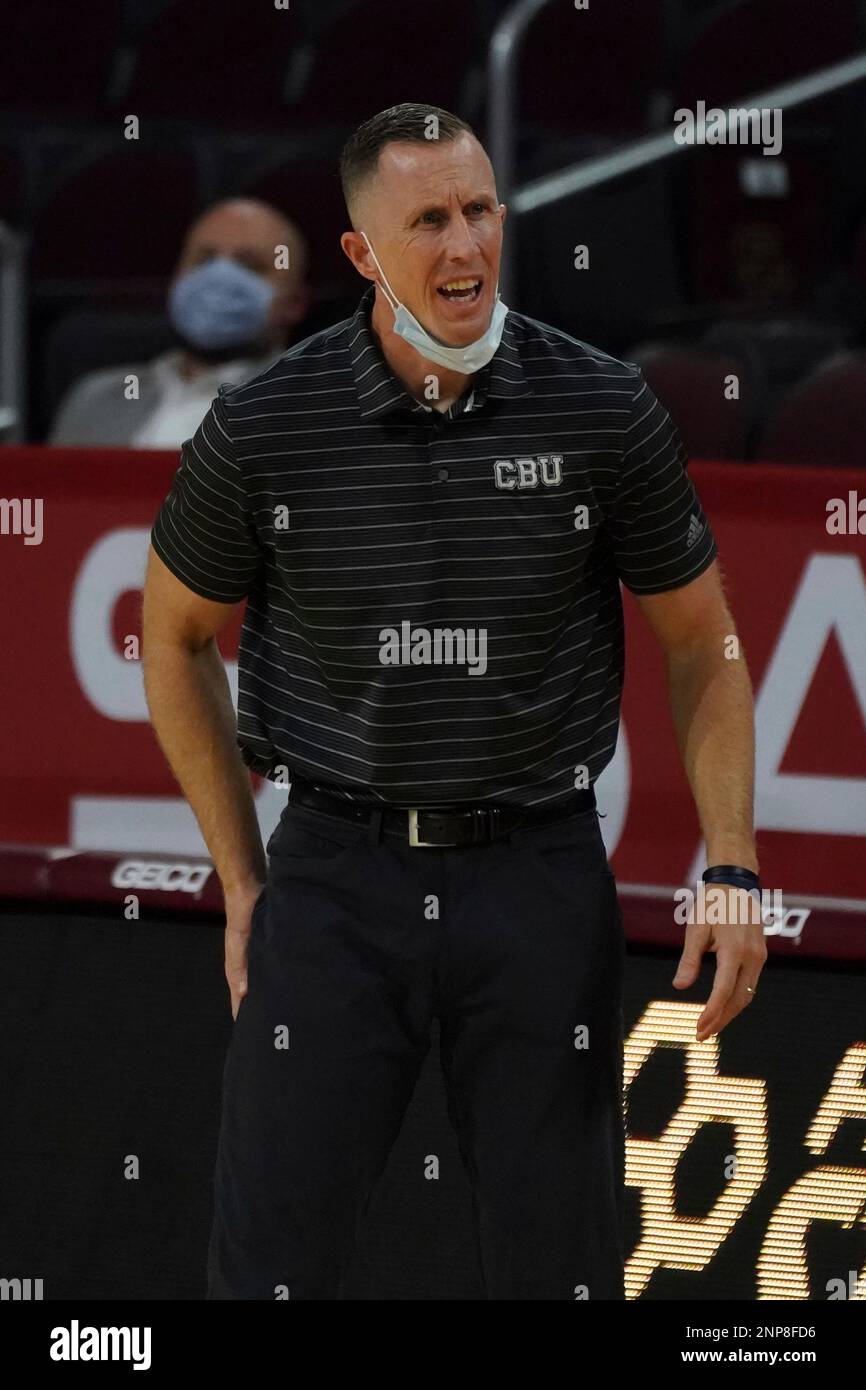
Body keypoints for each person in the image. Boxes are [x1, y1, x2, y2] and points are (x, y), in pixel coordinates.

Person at [142, 104, 766, 1300]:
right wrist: (240, 880)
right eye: (424, 220)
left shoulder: (599, 408)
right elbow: (170, 636)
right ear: (362, 253)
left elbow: (707, 643)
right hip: (331, 876)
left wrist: (730, 864)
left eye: (478, 209)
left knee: (558, 1263)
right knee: (274, 1259)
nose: (463, 244)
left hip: (535, 872)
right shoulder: (269, 425)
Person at [49, 198, 309, 448]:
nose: (220, 277)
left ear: (295, 303)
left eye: (251, 266)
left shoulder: (310, 404)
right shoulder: (96, 397)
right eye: (204, 260)